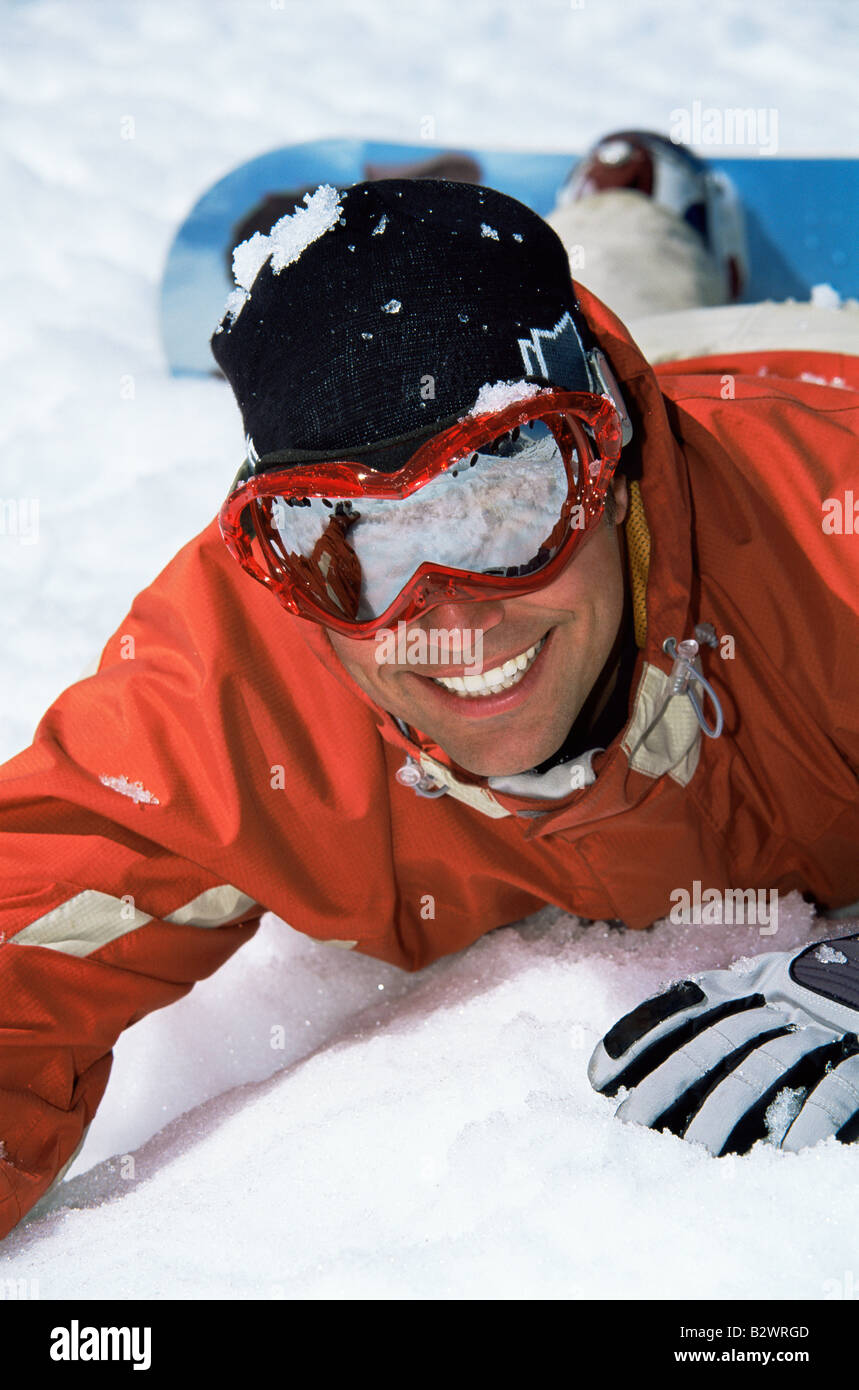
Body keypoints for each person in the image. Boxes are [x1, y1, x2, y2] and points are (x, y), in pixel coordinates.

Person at [0, 173, 857, 1244]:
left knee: (640, 297)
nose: (447, 617)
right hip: (567, 375)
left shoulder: (828, 541)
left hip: (814, 365)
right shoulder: (238, 685)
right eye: (361, 544)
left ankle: (641, 201)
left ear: (611, 466)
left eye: (503, 509)